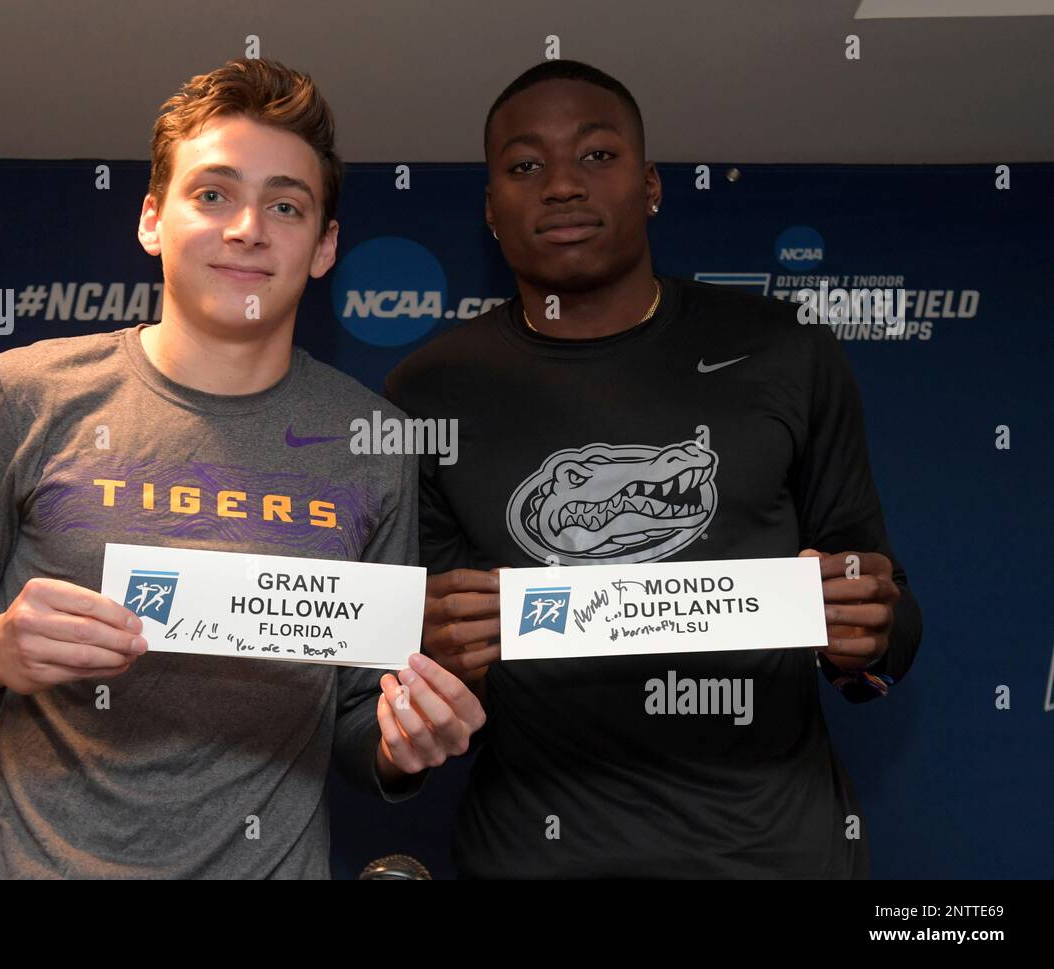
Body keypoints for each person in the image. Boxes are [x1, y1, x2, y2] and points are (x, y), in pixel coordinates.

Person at [0, 57, 484, 879]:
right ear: (152, 217)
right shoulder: (25, 395)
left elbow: (362, 721)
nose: (248, 227)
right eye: (212, 194)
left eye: (285, 205)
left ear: (324, 247)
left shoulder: (377, 442)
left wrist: (406, 743)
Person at [384, 59, 922, 878]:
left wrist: (867, 633)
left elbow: (886, 610)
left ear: (653, 185)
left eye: (597, 155)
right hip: (537, 852)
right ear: (491, 209)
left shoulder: (784, 349)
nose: (562, 185)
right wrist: (434, 654)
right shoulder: (427, 392)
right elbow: (415, 679)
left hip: (777, 851)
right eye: (525, 166)